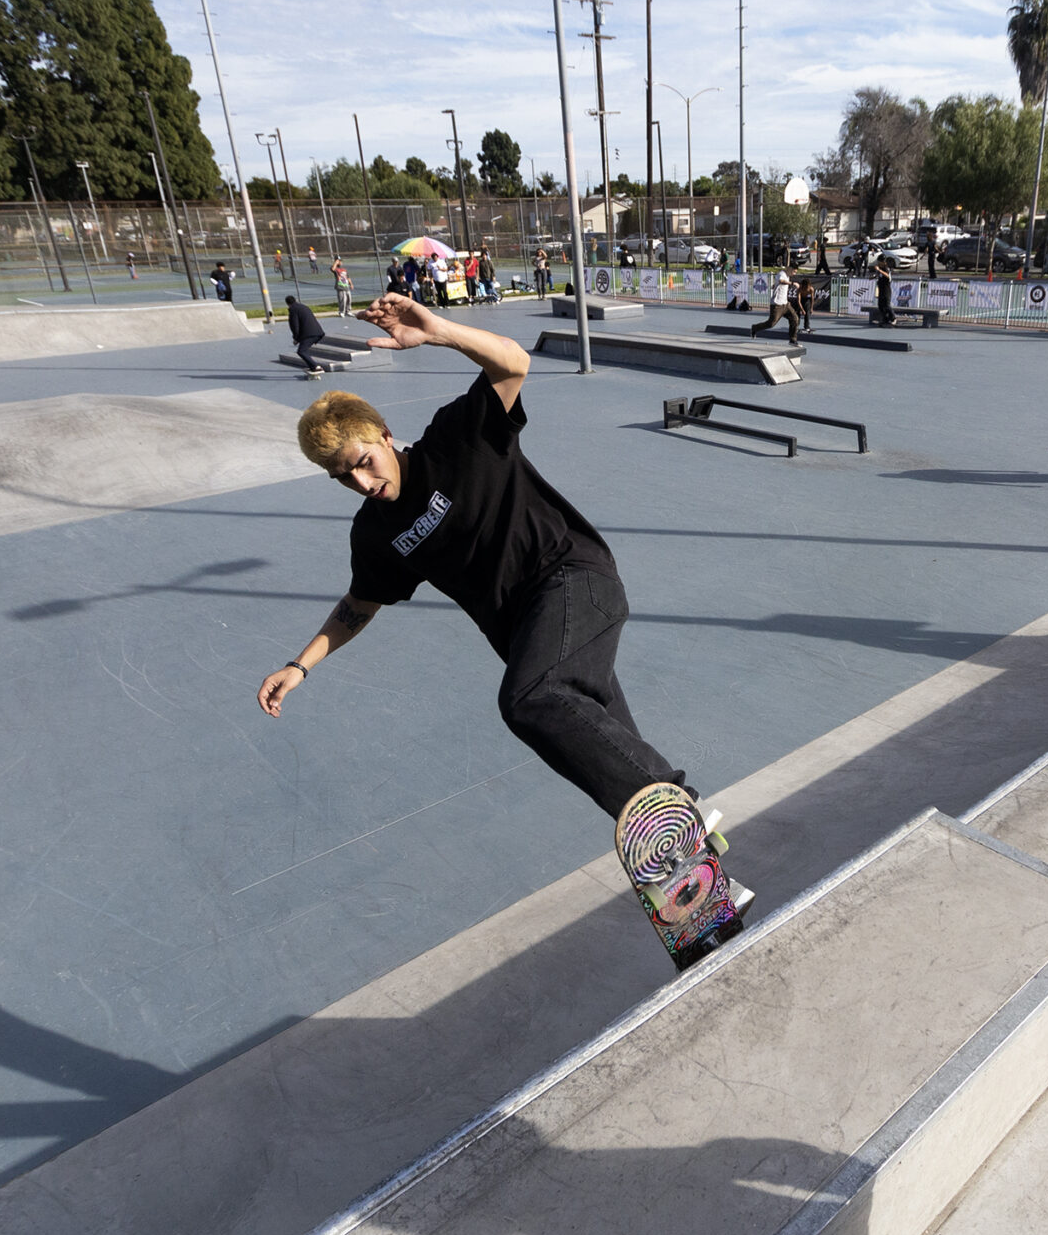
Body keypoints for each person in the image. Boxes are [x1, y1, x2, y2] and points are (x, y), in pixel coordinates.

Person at [258, 295, 751, 957]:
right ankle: (712, 915)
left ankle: (681, 803)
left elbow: (514, 362)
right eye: (340, 475)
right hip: (533, 636)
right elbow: (359, 604)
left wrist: (438, 332)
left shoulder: (456, 438)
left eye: (361, 459)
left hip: (576, 582)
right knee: (617, 773)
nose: (359, 479)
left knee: (530, 701)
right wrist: (300, 663)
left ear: (379, 434)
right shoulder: (376, 535)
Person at [751, 267, 800, 341]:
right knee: (771, 324)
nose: (794, 274)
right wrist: (792, 283)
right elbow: (781, 281)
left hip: (786, 304)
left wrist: (775, 285)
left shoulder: (787, 276)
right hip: (777, 304)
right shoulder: (781, 274)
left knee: (795, 318)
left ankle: (793, 339)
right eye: (794, 272)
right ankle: (755, 328)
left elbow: (778, 284)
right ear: (790, 269)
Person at [284, 295, 327, 376]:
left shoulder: (293, 310)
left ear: (287, 303)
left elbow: (294, 326)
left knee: (301, 351)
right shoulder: (303, 306)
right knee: (304, 349)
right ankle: (312, 366)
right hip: (318, 331)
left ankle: (316, 367)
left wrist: (296, 338)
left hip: (310, 334)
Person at [872, 258, 896, 326]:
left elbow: (888, 276)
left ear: (883, 262)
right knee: (881, 305)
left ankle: (893, 318)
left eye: (879, 262)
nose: (878, 263)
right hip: (881, 289)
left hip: (886, 290)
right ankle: (885, 319)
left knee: (887, 305)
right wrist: (874, 277)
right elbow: (879, 276)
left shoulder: (886, 269)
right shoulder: (880, 269)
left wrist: (879, 270)